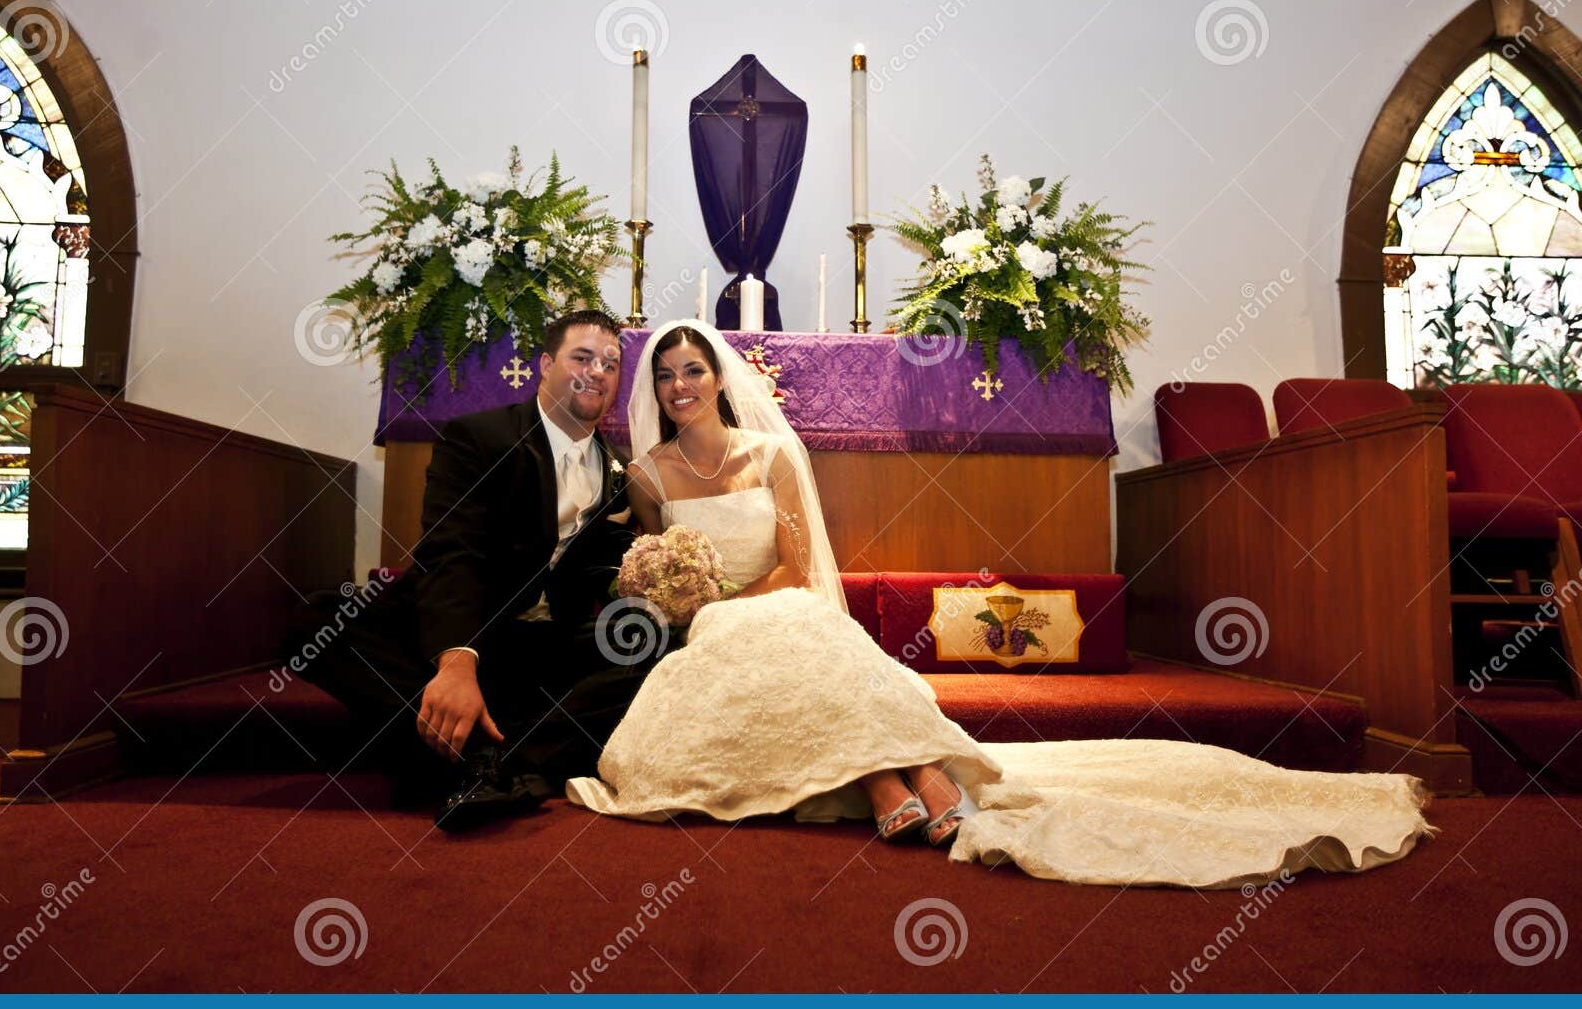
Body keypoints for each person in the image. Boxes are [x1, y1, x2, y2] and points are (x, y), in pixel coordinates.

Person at [564, 320, 1437, 887]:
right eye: (665, 376)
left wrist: (744, 597)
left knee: (800, 626)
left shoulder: (771, 456)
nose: (679, 386)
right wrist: (686, 596)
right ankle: (896, 773)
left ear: (720, 377)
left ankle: (898, 772)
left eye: (693, 370)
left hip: (782, 600)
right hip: (714, 627)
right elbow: (654, 569)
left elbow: (799, 564)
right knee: (758, 637)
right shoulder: (646, 476)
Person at [294, 310, 658, 832]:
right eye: (582, 357)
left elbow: (605, 573)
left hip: (543, 645)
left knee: (652, 644)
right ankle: (505, 755)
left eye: (610, 364)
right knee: (317, 621)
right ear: (545, 365)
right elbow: (450, 551)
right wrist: (458, 661)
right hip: (470, 627)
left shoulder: (618, 472)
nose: (597, 372)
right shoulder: (479, 437)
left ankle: (486, 759)